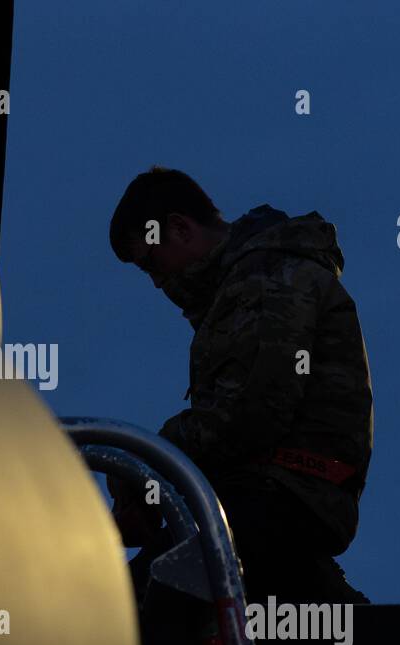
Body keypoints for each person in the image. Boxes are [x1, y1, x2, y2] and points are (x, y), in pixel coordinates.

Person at [108, 167, 373, 606]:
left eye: (151, 263)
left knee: (136, 608)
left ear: (179, 227)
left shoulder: (266, 278)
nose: (156, 282)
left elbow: (248, 415)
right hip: (276, 496)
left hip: (283, 496)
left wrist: (146, 468)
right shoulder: (252, 281)